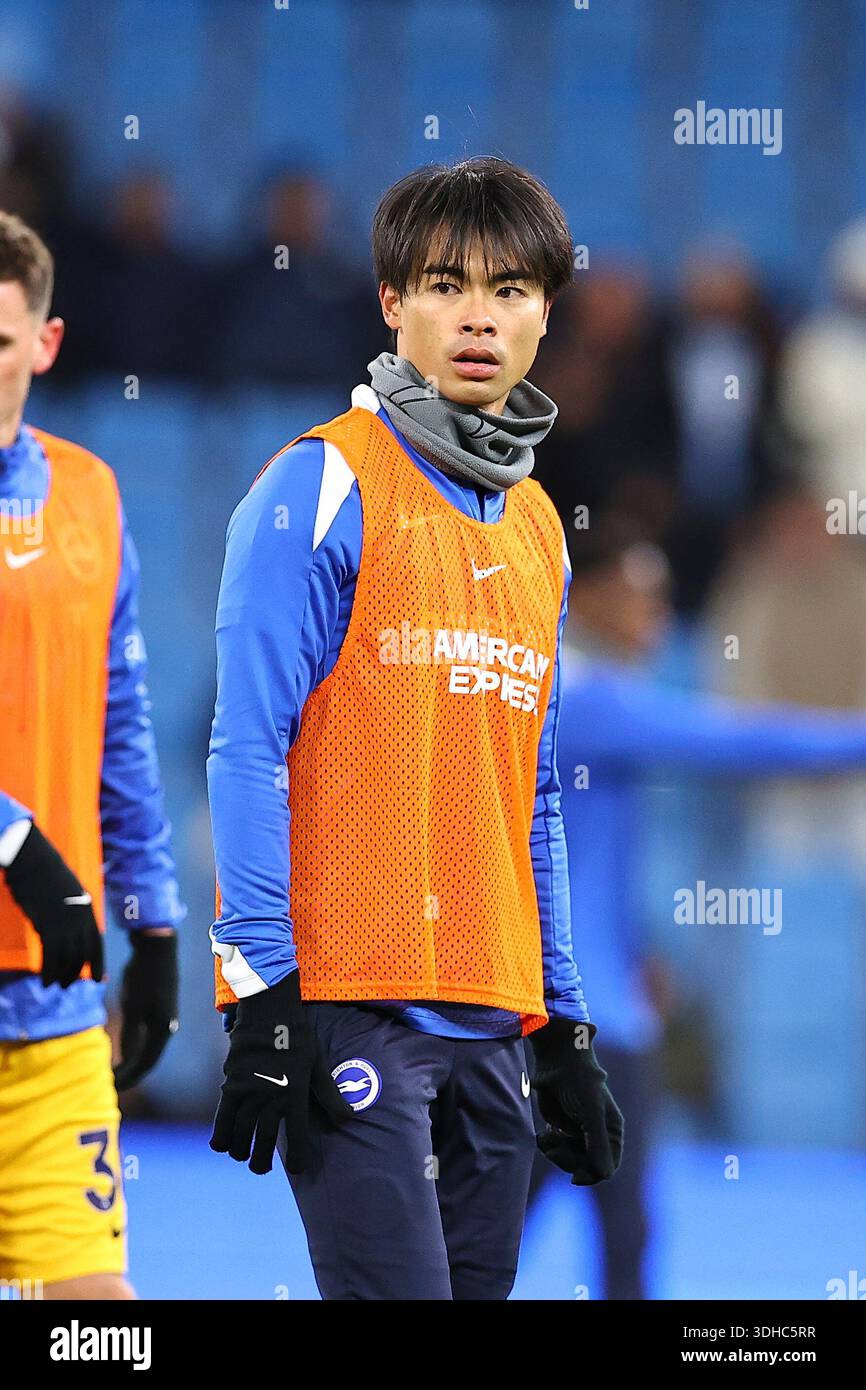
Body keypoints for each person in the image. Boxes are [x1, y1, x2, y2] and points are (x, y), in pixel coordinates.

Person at [207, 156, 623, 1301]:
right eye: (444, 284)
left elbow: (528, 798)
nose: (477, 315)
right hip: (352, 1006)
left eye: (509, 289)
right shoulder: (320, 484)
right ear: (391, 303)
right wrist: (260, 993)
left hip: (493, 1014)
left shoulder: (540, 526)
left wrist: (566, 1027)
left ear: (547, 310)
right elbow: (245, 745)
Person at [545, 512, 866, 1298]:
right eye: (640, 597)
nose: (658, 618)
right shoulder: (584, 697)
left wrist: (637, 946)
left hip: (591, 1002)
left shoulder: (565, 689)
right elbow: (738, 742)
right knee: (580, 1227)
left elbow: (583, 856)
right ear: (584, 598)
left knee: (582, 1224)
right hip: (583, 1020)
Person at [0, 210, 185, 1300]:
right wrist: (16, 837)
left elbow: (121, 722)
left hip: (54, 1010)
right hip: (39, 915)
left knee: (98, 1330)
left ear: (44, 344)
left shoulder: (90, 494)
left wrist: (156, 925)